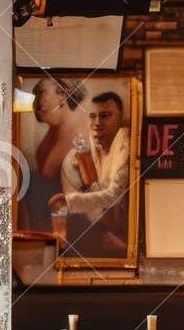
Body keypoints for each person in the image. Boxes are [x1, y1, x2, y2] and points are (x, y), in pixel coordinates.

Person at [50, 89, 131, 257]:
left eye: (105, 116)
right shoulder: (85, 151)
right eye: (93, 117)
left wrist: (69, 202)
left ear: (120, 116)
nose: (97, 123)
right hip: (99, 228)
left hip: (123, 235)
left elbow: (114, 194)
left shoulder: (125, 145)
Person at [18, 76, 89, 232]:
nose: (39, 104)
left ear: (62, 95)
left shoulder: (75, 134)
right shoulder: (57, 128)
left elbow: (48, 172)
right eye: (37, 97)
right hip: (47, 208)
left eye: (43, 95)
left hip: (66, 213)